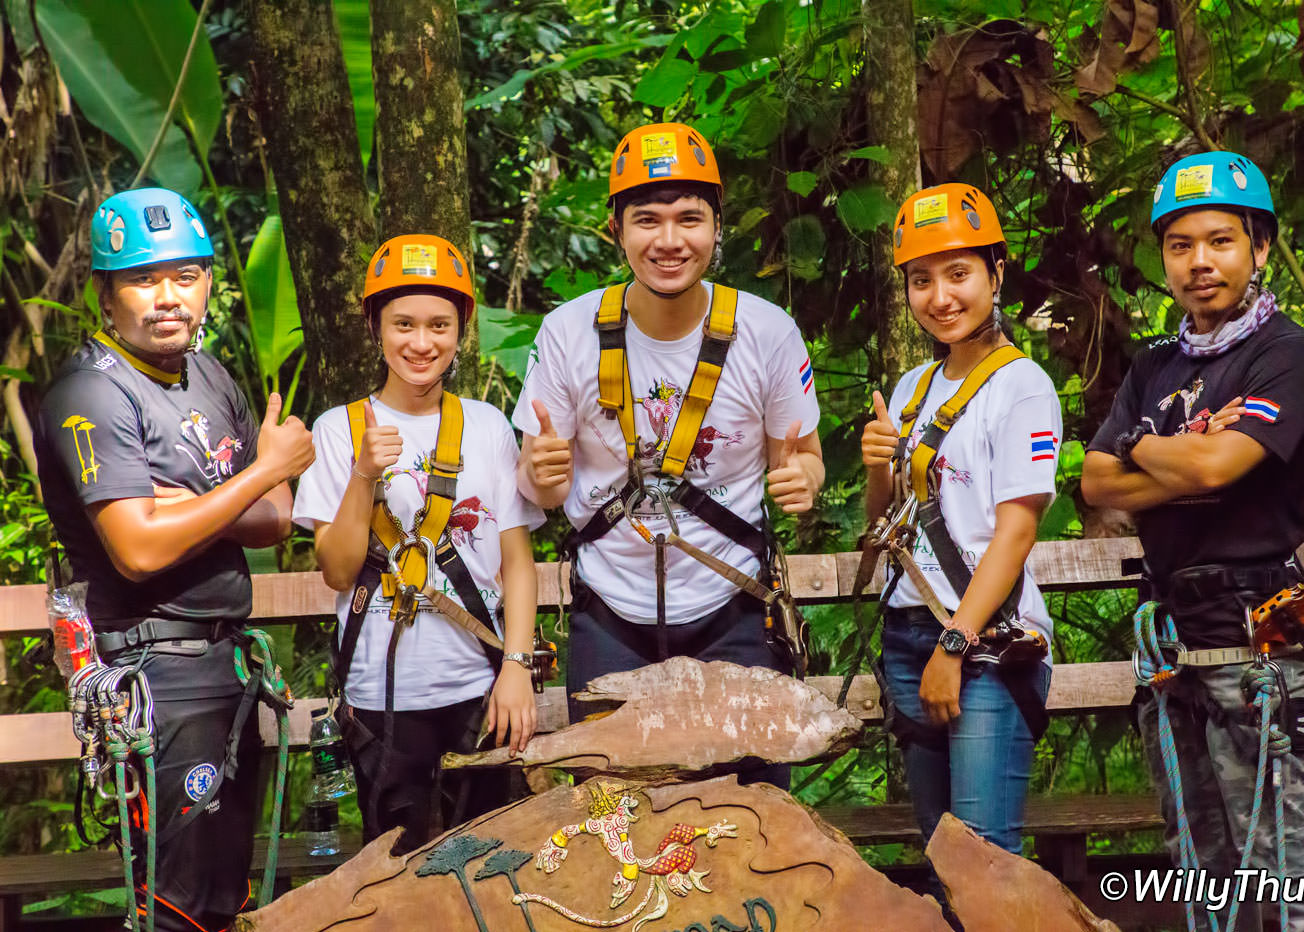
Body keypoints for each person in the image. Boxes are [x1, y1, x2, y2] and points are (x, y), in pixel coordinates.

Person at [1082, 151, 1304, 931]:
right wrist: (1178, 455)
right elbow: (1096, 482)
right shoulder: (1154, 365)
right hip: (1171, 640)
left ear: (1259, 247)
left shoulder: (1288, 355)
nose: (1200, 261)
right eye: (1180, 245)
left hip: (1257, 638)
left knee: (1285, 860)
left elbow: (1217, 466)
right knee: (1198, 862)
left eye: (1220, 241)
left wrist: (1144, 446)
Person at [34, 187, 314, 931]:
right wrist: (258, 473)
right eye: (142, 279)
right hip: (156, 674)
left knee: (225, 894)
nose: (167, 297)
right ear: (106, 294)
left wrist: (188, 501)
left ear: (208, 283)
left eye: (185, 276)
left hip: (226, 668)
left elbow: (276, 521)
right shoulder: (93, 392)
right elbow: (138, 548)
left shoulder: (210, 376)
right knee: (174, 903)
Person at [512, 122, 824, 783]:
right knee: (612, 818)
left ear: (717, 226)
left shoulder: (767, 333)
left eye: (689, 218)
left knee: (751, 818)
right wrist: (539, 475)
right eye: (647, 220)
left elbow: (804, 457)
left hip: (734, 609)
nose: (669, 240)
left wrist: (803, 478)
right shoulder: (568, 333)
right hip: (610, 614)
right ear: (616, 230)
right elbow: (541, 488)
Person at [292, 234, 543, 854]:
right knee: (395, 865)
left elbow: (516, 562)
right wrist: (362, 475)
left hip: (477, 686)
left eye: (439, 325)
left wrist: (516, 668)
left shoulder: (486, 426)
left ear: (461, 330)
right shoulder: (338, 430)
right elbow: (338, 571)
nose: (421, 343)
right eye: (403, 324)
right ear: (374, 327)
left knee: (490, 857)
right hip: (383, 696)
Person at [859, 183, 1060, 871]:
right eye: (921, 281)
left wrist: (954, 645)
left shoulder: (1022, 387)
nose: (940, 297)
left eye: (958, 274)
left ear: (995, 273)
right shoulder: (913, 386)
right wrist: (878, 467)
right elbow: (884, 522)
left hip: (984, 644)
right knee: (941, 856)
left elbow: (1016, 533)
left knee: (984, 860)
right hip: (909, 633)